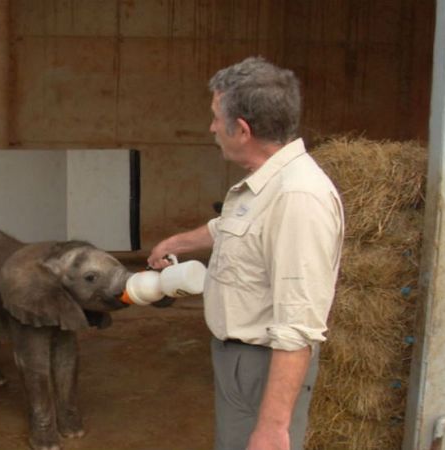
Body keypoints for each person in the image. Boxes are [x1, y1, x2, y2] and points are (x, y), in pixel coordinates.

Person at [148, 57, 344, 450]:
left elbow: (297, 325)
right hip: (239, 360)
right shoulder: (265, 184)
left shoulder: (297, 198)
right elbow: (229, 229)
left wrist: (273, 428)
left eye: (216, 118)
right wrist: (176, 245)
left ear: (242, 130)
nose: (211, 128)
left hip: (263, 365)